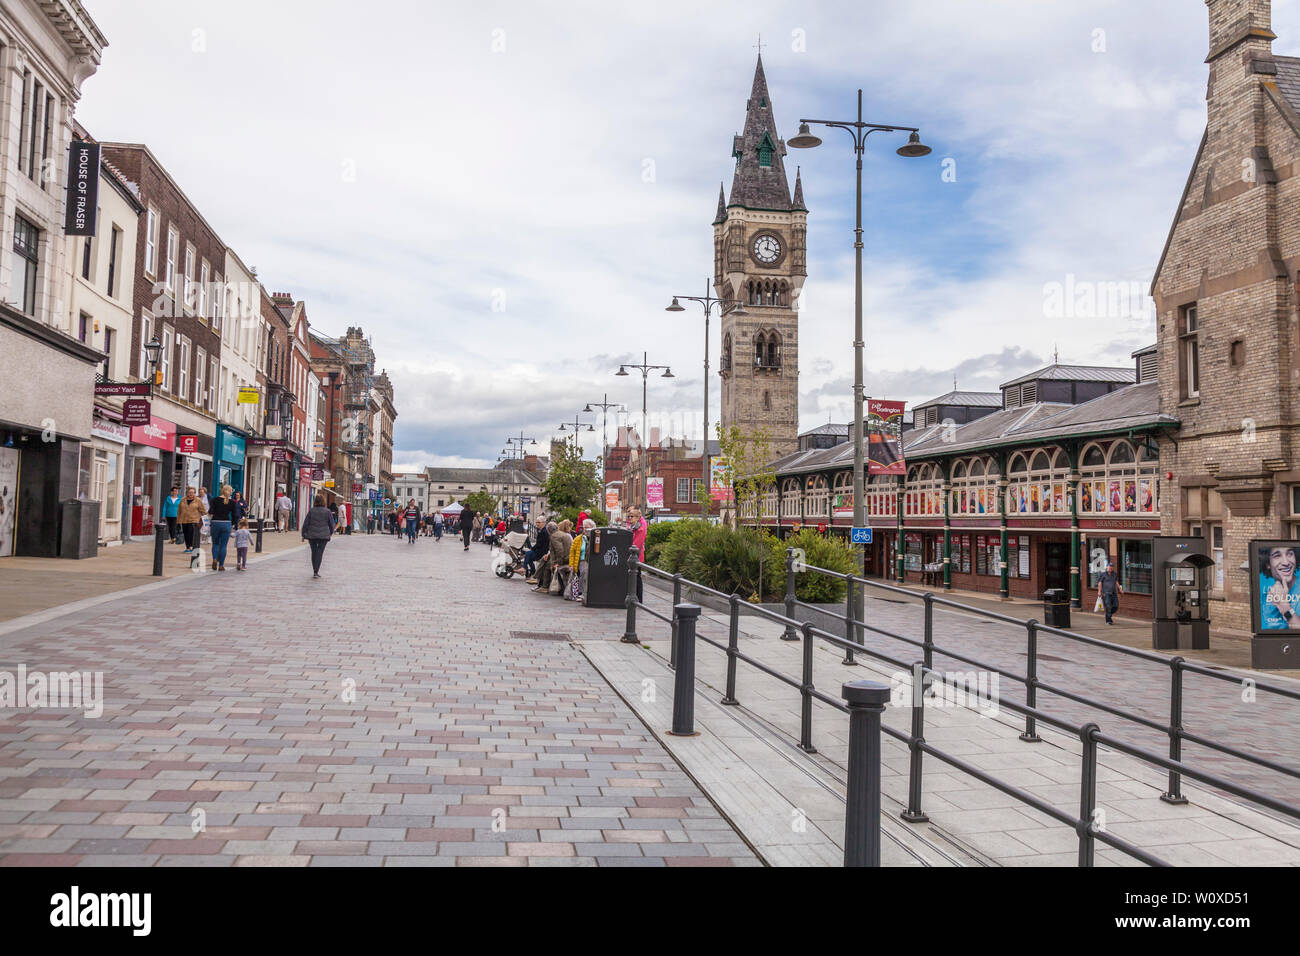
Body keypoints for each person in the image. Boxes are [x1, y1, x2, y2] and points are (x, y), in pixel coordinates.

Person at [1260, 546, 1300, 629]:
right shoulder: (1266, 596)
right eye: (1277, 556)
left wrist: (1285, 607)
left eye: (1290, 554)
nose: (1286, 562)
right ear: (1268, 564)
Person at [302, 494, 335, 578]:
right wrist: (330, 533)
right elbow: (332, 524)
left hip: (312, 535)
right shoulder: (327, 511)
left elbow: (306, 523)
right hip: (324, 536)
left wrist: (303, 534)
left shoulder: (311, 511)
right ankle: (316, 571)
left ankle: (315, 570)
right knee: (320, 552)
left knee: (314, 552)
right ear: (324, 501)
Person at [208, 484, 235, 571]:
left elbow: (211, 512)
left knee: (215, 544)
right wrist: (233, 524)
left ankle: (215, 559)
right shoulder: (232, 502)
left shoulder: (214, 500)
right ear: (230, 492)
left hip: (215, 523)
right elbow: (235, 515)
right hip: (226, 523)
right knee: (223, 545)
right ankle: (221, 565)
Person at [177, 486, 206, 554]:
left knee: (191, 534)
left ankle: (191, 547)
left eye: (192, 492)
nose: (191, 494)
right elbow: (179, 511)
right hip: (184, 520)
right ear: (187, 493)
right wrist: (178, 521)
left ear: (195, 493)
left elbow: (203, 510)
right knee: (186, 534)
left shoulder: (198, 500)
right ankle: (188, 547)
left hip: (194, 520)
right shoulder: (183, 499)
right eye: (189, 492)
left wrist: (204, 519)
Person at [627, 507, 648, 602]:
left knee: (637, 577)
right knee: (633, 577)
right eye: (629, 516)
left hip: (637, 558)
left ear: (637, 518)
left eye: (631, 516)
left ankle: (639, 599)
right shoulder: (633, 528)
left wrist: (628, 548)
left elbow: (636, 544)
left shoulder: (640, 529)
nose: (629, 518)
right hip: (632, 557)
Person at [524, 516, 549, 583]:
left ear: (543, 523)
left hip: (542, 553)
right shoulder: (540, 530)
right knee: (528, 556)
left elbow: (539, 544)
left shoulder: (544, 531)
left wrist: (532, 549)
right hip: (539, 551)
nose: (537, 524)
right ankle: (532, 572)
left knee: (528, 554)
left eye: (539, 522)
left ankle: (527, 570)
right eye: (536, 522)